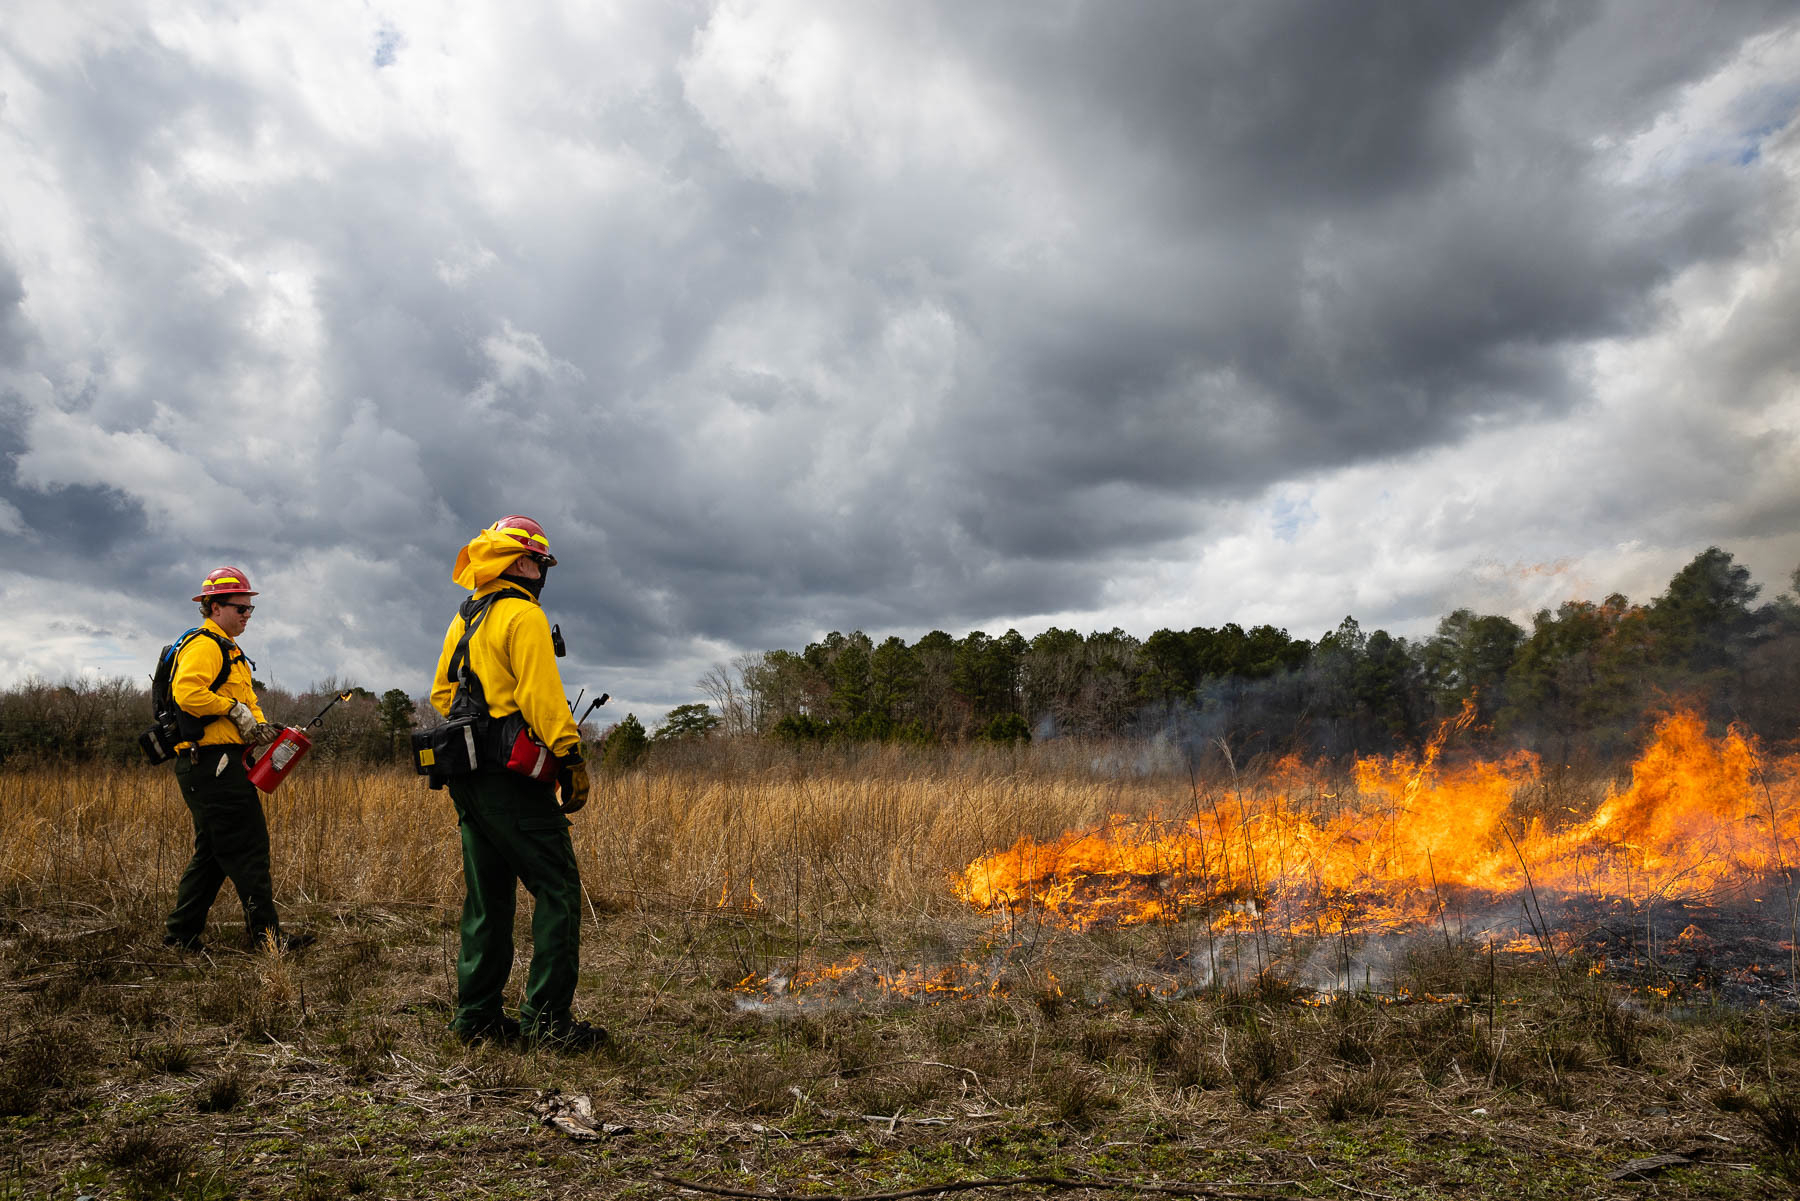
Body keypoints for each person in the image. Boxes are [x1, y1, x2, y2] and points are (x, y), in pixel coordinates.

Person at [430, 516, 601, 1049]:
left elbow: (442, 694)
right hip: (512, 779)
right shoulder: (524, 615)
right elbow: (543, 697)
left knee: (488, 897)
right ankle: (547, 1025)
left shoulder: (466, 618)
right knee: (557, 888)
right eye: (541, 562)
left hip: (464, 772)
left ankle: (477, 1018)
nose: (543, 572)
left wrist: (480, 725)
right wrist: (569, 756)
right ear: (522, 562)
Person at [163, 566, 306, 952]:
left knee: (213, 853)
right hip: (210, 763)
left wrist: (259, 727)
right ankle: (267, 938)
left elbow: (248, 703)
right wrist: (232, 709)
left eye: (249, 609)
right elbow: (187, 695)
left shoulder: (229, 649)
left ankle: (181, 934)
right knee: (249, 847)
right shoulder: (205, 644)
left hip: (220, 761)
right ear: (213, 607)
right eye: (239, 608)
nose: (246, 615)